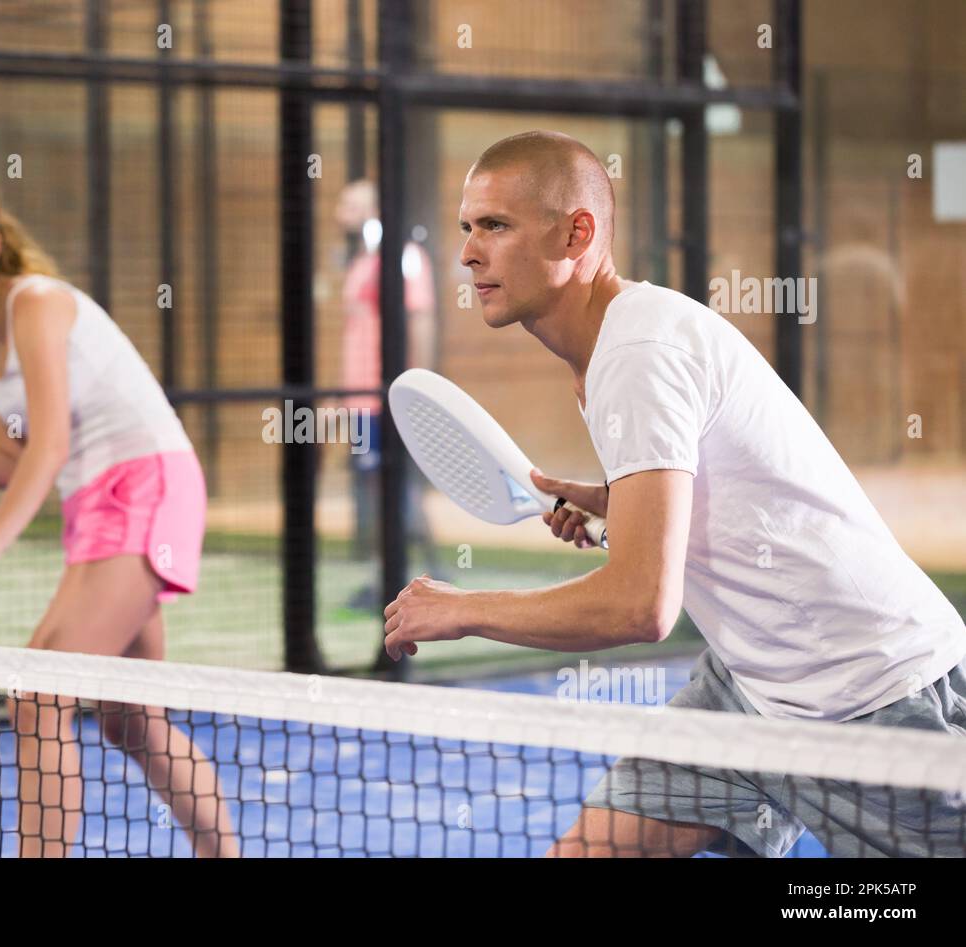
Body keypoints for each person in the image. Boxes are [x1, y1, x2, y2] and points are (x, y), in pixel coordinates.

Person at [381, 131, 966, 857]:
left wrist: (463, 608)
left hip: (875, 695)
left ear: (577, 232)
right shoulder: (610, 343)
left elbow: (639, 605)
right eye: (467, 227)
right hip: (751, 684)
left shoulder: (635, 353)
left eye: (495, 226)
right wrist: (615, 501)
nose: (469, 252)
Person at [0, 170, 238, 858]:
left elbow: (51, 441)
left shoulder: (36, 303)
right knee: (131, 722)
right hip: (92, 504)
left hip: (149, 485)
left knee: (37, 695)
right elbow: (14, 455)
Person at [334, 179, 443, 609]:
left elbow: (421, 320)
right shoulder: (361, 259)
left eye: (350, 202)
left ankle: (423, 572)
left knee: (396, 487)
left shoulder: (402, 256)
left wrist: (415, 389)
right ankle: (387, 578)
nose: (340, 208)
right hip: (360, 402)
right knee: (374, 487)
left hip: (386, 400)